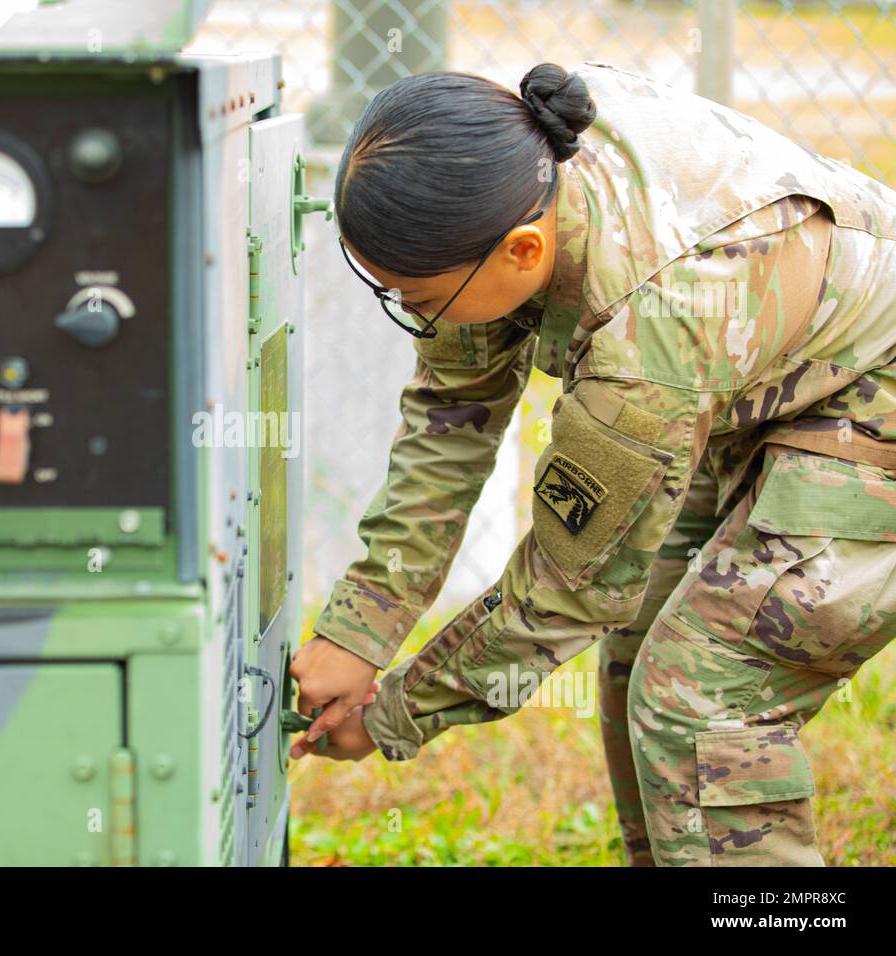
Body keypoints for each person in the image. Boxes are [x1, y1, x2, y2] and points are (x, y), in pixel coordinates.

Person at [289, 60, 896, 866]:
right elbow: (452, 422)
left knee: (701, 697)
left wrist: (396, 712)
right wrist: (360, 631)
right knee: (637, 650)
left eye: (421, 300)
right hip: (765, 372)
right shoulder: (502, 170)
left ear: (522, 249)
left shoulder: (652, 331)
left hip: (869, 395)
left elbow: (570, 589)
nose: (413, 317)